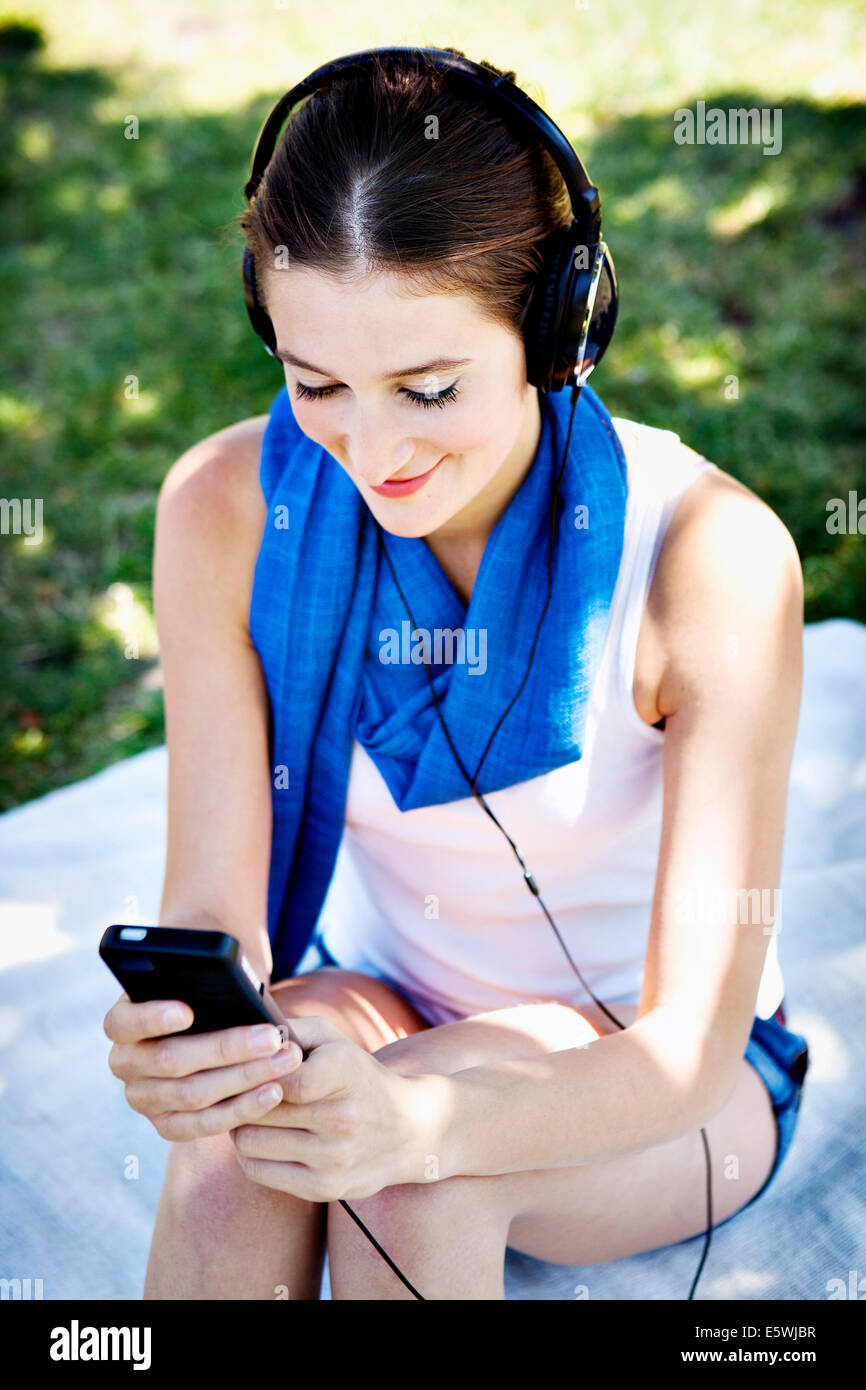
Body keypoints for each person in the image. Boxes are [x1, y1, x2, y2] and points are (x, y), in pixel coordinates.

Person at [103, 49, 809, 1301]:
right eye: (313, 383)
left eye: (428, 389)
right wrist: (191, 1049)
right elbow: (217, 907)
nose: (369, 453)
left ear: (556, 329)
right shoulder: (225, 508)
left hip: (651, 1075)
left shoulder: (706, 559)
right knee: (237, 1147)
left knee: (404, 1182)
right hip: (383, 997)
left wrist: (423, 1127)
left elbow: (685, 1050)